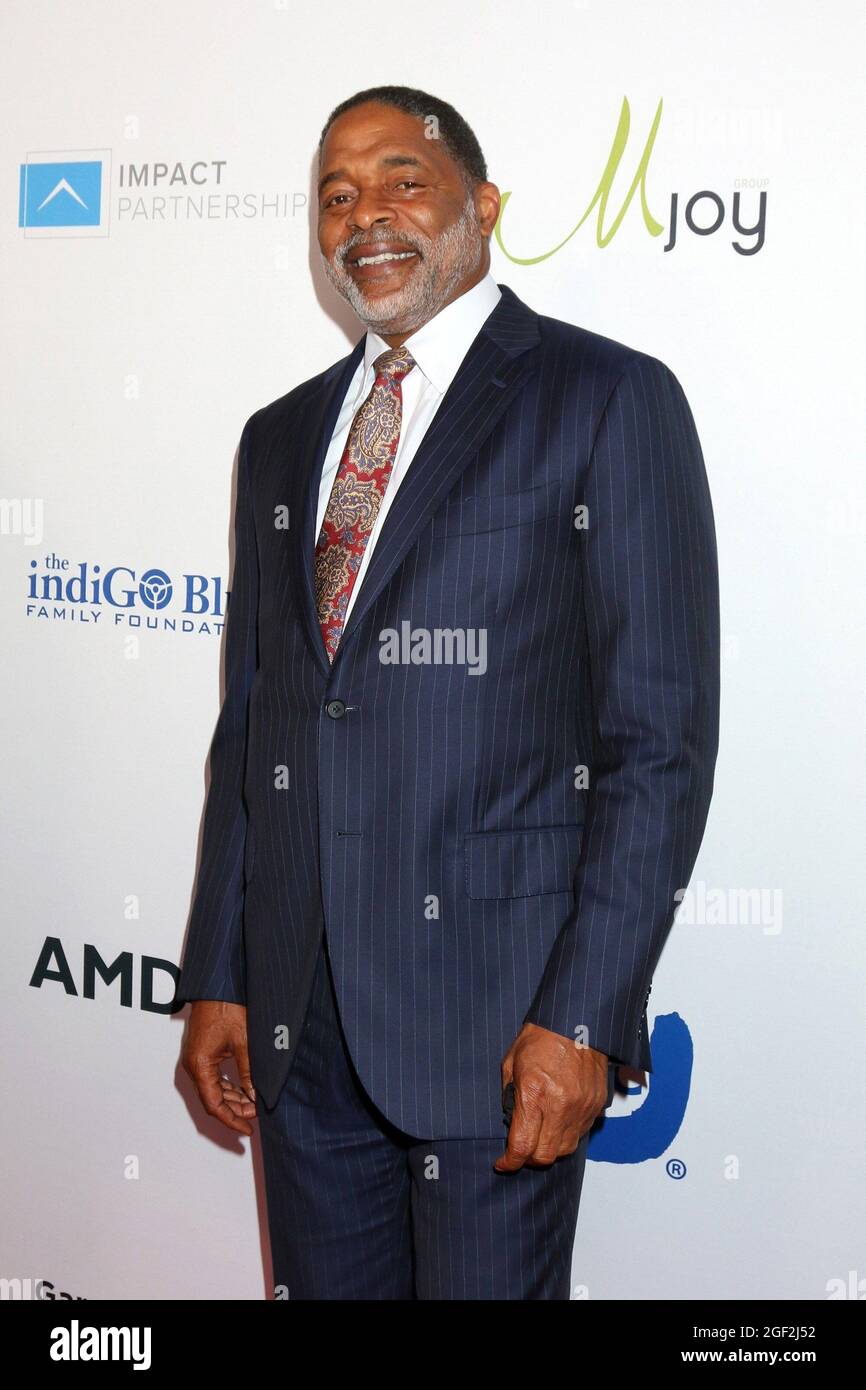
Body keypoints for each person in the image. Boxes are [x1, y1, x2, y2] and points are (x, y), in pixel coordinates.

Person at [178, 84, 720, 1301]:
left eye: (400, 180)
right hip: (303, 1023)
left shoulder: (604, 398)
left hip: (499, 1025)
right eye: (334, 194)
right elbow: (256, 721)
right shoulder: (279, 438)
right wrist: (221, 964)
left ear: (482, 207)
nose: (363, 214)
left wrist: (582, 1014)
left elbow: (657, 744)